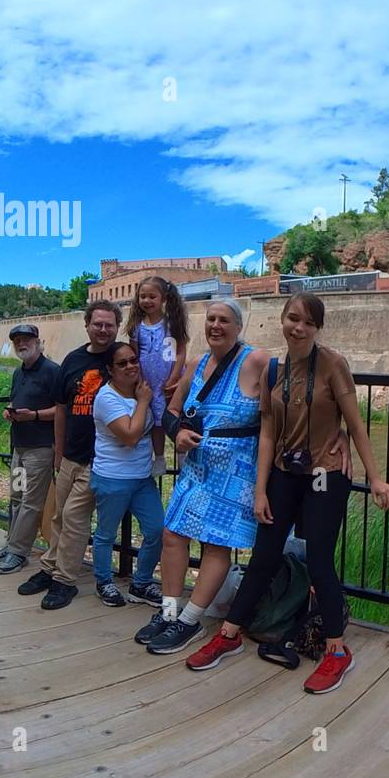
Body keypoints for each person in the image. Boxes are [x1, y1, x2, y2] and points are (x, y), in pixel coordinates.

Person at [185, 293, 389, 692]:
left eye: (308, 323)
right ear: (281, 320)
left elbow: (355, 423)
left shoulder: (333, 364)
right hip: (284, 472)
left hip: (324, 475)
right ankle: (229, 634)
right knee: (263, 555)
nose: (299, 328)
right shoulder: (272, 371)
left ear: (317, 329)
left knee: (319, 561)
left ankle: (336, 651)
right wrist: (260, 489)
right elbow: (268, 431)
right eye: (293, 319)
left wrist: (376, 479)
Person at [137, 296, 269, 654]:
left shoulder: (256, 361)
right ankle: (168, 612)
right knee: (172, 536)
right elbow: (171, 411)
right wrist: (177, 432)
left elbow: (290, 400)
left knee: (215, 545)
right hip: (196, 468)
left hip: (236, 472)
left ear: (238, 327)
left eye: (224, 320)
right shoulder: (196, 364)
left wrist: (334, 433)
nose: (216, 326)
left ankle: (190, 620)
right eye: (211, 319)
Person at [18, 300, 117, 610]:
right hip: (71, 454)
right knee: (60, 517)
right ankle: (50, 568)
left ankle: (65, 580)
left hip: (100, 457)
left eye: (109, 325)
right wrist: (59, 452)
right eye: (97, 324)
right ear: (87, 325)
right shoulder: (73, 361)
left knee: (75, 519)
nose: (103, 329)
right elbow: (62, 410)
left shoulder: (122, 358)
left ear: (116, 328)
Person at [86, 340, 165, 605]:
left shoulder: (140, 390)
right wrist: (143, 401)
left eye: (133, 360)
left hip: (142, 478)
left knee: (156, 529)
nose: (130, 366)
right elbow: (130, 435)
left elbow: (157, 425)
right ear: (110, 369)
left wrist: (160, 456)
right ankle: (104, 582)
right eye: (122, 363)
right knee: (107, 534)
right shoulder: (106, 398)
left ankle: (141, 583)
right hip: (112, 477)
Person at [0, 324, 69, 575]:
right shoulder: (18, 372)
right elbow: (18, 400)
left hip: (40, 448)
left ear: (39, 342)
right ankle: (11, 543)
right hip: (20, 447)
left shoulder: (52, 372)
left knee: (31, 502)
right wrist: (10, 410)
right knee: (15, 497)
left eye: (27, 340)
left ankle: (18, 552)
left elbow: (61, 411)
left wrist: (34, 415)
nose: (21, 344)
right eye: (17, 341)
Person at [126, 274, 190, 482]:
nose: (146, 301)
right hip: (149, 380)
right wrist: (141, 380)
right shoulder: (137, 326)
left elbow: (180, 352)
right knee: (156, 421)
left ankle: (181, 455)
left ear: (163, 298)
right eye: (142, 296)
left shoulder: (171, 323)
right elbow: (134, 354)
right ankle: (159, 457)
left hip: (169, 377)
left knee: (174, 415)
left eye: (152, 296)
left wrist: (173, 377)